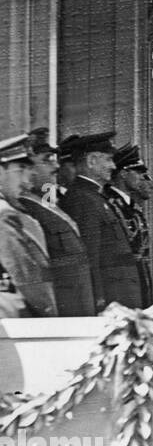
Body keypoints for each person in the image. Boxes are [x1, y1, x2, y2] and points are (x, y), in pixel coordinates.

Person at [59, 132, 143, 311]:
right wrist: (98, 300)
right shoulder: (82, 198)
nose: (113, 166)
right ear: (91, 161)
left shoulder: (94, 197)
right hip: (110, 300)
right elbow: (88, 257)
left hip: (119, 295)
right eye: (109, 160)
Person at [19, 131, 94, 317]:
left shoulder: (45, 203)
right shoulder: (26, 210)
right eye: (46, 160)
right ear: (28, 169)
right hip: (61, 306)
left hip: (79, 299)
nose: (56, 166)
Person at [0, 134, 55, 318]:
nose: (25, 181)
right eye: (20, 169)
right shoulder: (4, 214)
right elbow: (26, 277)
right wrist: (49, 315)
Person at [106, 144, 153, 304]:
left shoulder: (131, 206)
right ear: (123, 174)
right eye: (138, 172)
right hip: (121, 283)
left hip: (138, 278)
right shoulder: (111, 203)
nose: (142, 177)